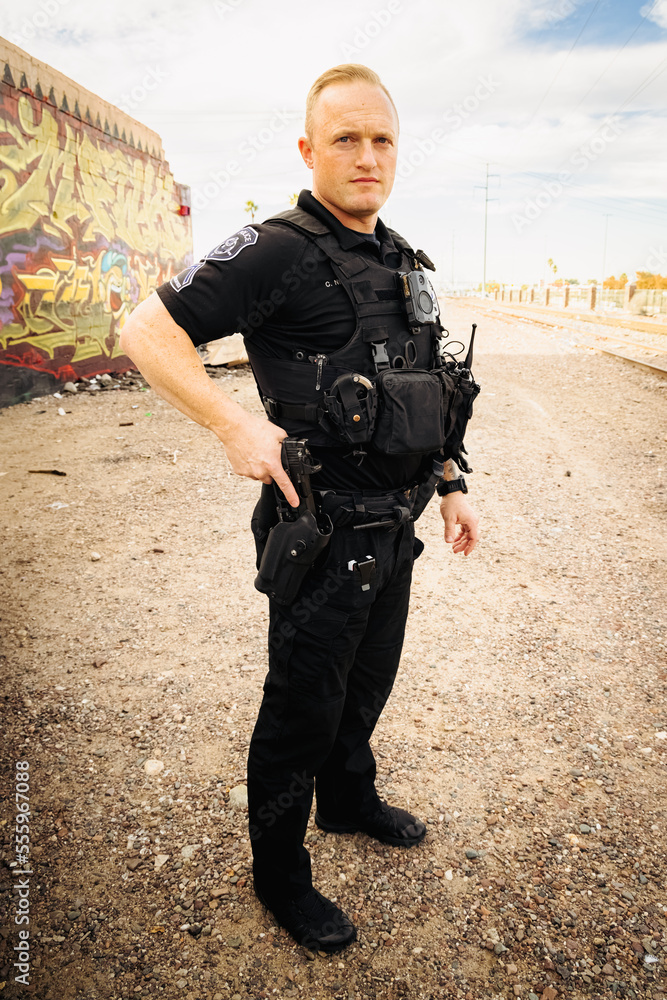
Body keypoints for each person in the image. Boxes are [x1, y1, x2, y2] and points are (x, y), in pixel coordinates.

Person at [120, 63, 479, 953]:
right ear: (307, 149)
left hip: (394, 527)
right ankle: (278, 874)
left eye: (381, 139)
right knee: (301, 709)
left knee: (366, 683)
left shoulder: (401, 257)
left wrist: (449, 483)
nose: (366, 156)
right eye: (345, 138)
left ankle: (347, 800)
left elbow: (429, 388)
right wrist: (230, 423)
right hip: (320, 534)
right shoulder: (275, 249)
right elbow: (145, 330)